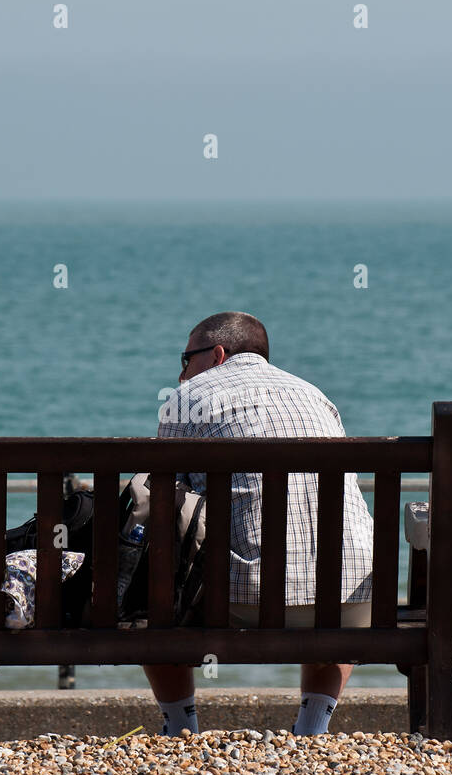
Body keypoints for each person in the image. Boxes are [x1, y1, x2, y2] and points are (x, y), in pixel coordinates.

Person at [147, 311, 376, 736]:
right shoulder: (316, 396)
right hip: (352, 607)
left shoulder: (188, 397)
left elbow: (164, 503)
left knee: (153, 560)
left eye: (185, 358)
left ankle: (180, 727)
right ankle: (311, 727)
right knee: (334, 547)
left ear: (216, 354)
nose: (181, 372)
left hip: (245, 604)